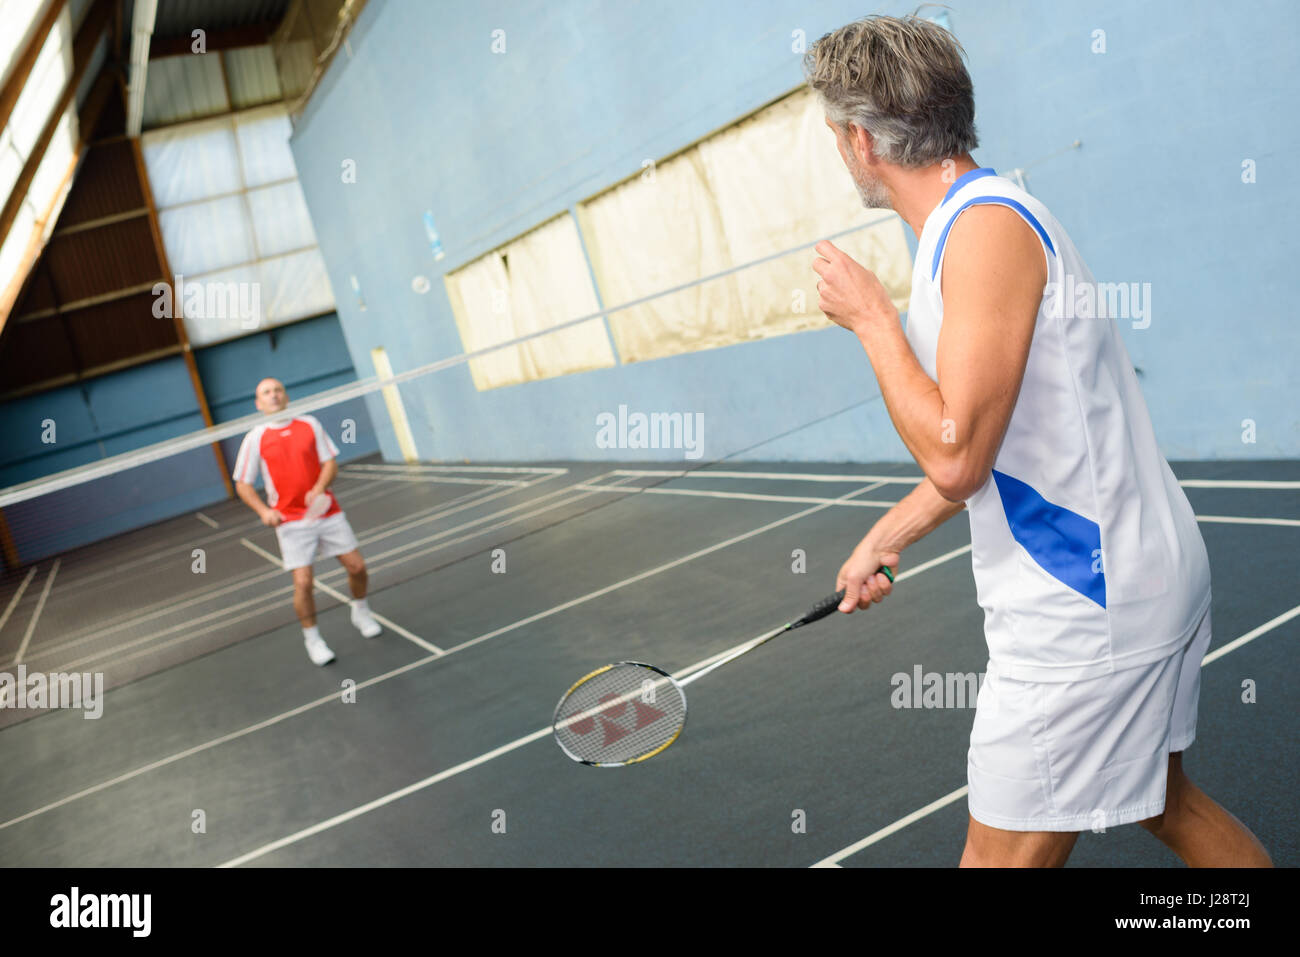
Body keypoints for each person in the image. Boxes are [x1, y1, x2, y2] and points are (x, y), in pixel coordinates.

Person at [805, 15, 1270, 867]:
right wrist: (885, 536)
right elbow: (992, 444)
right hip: (1131, 578)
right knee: (1166, 803)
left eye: (836, 134)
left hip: (1085, 610)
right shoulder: (984, 221)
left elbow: (955, 454)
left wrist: (873, 322)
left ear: (862, 140)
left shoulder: (981, 235)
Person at [232, 378, 382, 666]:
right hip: (290, 522)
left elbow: (330, 463)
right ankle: (313, 639)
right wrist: (264, 512)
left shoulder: (309, 424)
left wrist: (319, 486)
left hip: (326, 511)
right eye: (266, 393)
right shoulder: (255, 437)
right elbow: (243, 485)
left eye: (277, 390)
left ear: (286, 396)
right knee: (303, 583)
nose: (273, 396)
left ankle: (361, 611)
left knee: (357, 566)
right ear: (258, 403)